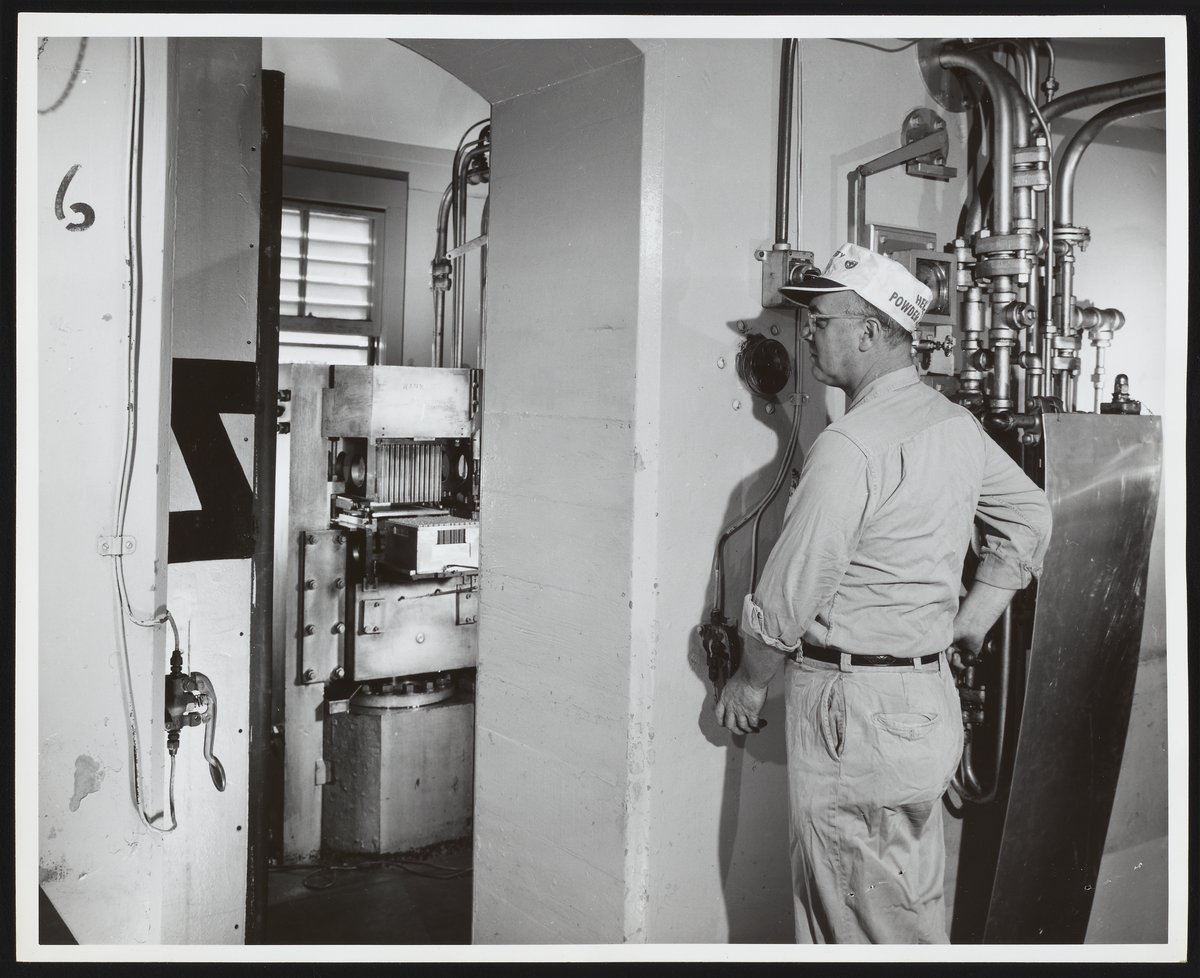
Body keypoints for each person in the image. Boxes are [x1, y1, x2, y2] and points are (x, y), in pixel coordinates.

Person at [715, 242, 1052, 944]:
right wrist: (973, 619)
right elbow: (1029, 516)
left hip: (854, 720)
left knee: (852, 925)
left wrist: (749, 685)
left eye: (821, 321)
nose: (807, 335)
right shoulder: (954, 426)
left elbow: (786, 598)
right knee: (905, 914)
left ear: (868, 332)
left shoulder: (852, 446)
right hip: (924, 709)